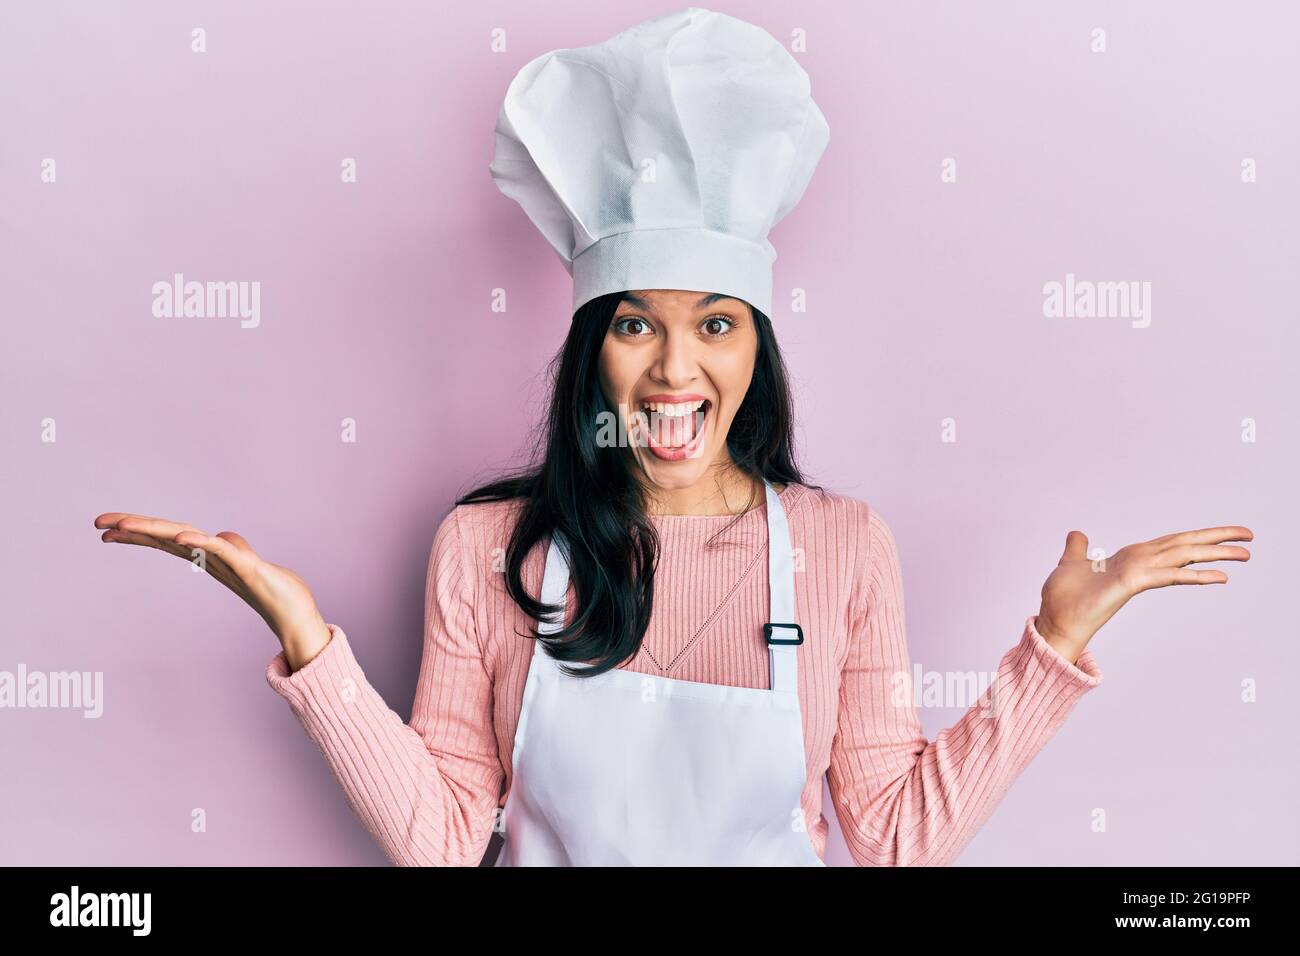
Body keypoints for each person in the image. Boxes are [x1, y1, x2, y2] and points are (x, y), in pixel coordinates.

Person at [92, 8, 1252, 867]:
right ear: (596, 346)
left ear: (757, 348)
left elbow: (897, 835)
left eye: (714, 323)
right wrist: (310, 644)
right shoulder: (492, 547)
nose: (675, 366)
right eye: (636, 324)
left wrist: (1051, 646)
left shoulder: (844, 546)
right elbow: (446, 839)